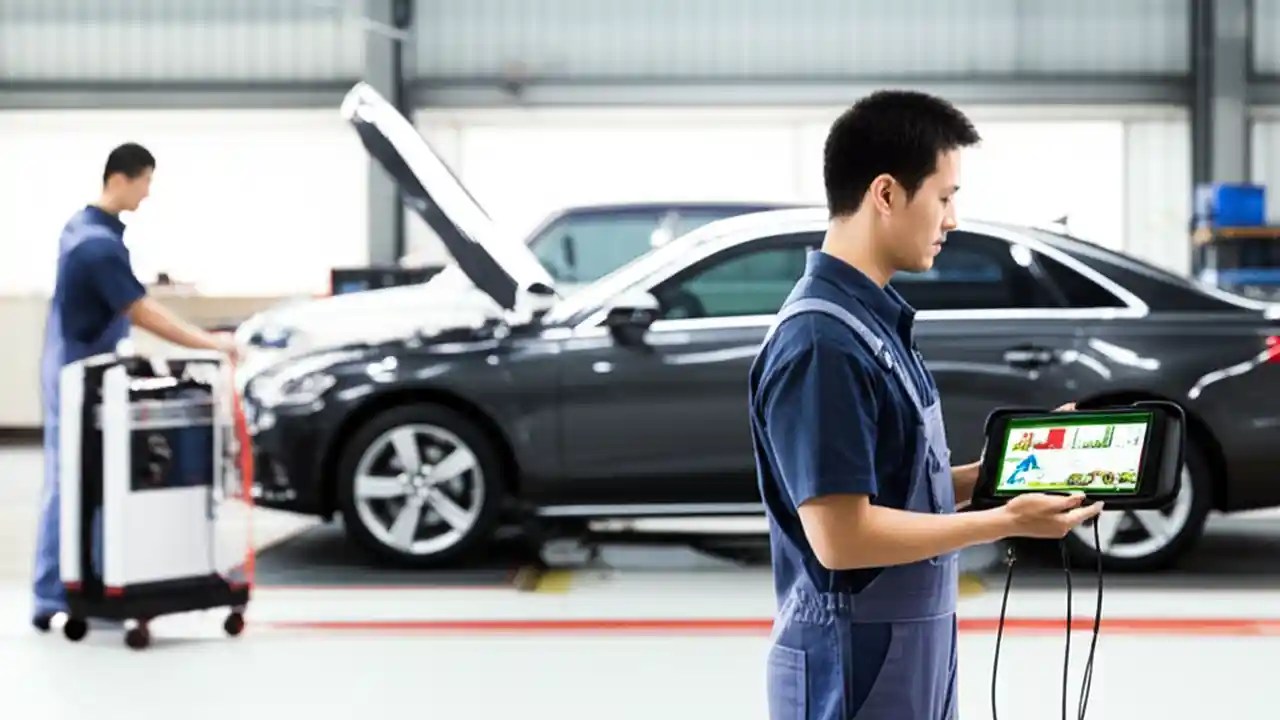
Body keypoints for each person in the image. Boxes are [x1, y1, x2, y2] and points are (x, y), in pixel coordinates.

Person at [747, 91, 1103, 719]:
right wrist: (1008, 520)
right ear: (886, 194)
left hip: (908, 646)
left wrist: (995, 476)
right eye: (944, 197)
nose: (953, 218)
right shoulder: (821, 343)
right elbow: (842, 538)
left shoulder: (871, 324)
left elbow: (894, 488)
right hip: (853, 661)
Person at [32, 142, 239, 630]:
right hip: (77, 371)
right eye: (145, 181)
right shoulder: (97, 245)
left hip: (73, 362)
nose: (148, 193)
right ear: (120, 179)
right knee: (71, 482)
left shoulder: (84, 228)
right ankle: (56, 594)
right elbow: (139, 309)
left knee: (85, 478)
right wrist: (209, 343)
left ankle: (83, 584)